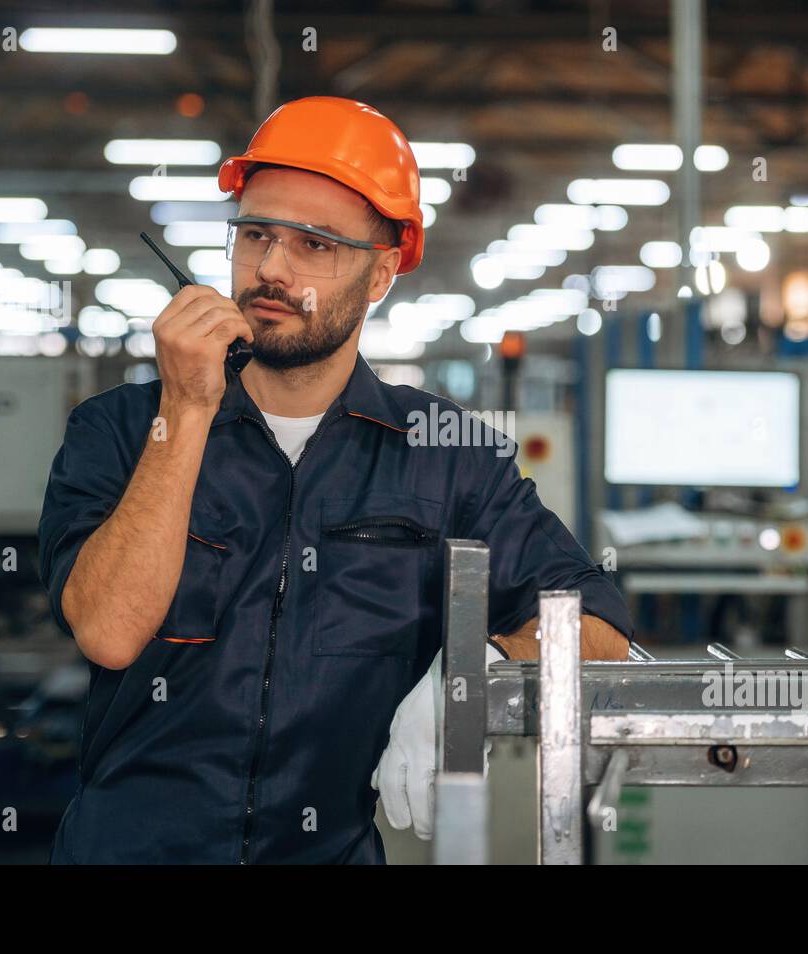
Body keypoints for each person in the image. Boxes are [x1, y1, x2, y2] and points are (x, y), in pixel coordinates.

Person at [38, 96, 634, 863]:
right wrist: (186, 409)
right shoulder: (118, 431)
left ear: (382, 271)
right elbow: (109, 632)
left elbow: (597, 627)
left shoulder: (444, 455)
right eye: (256, 235)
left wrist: (476, 670)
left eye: (314, 245)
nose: (272, 270)